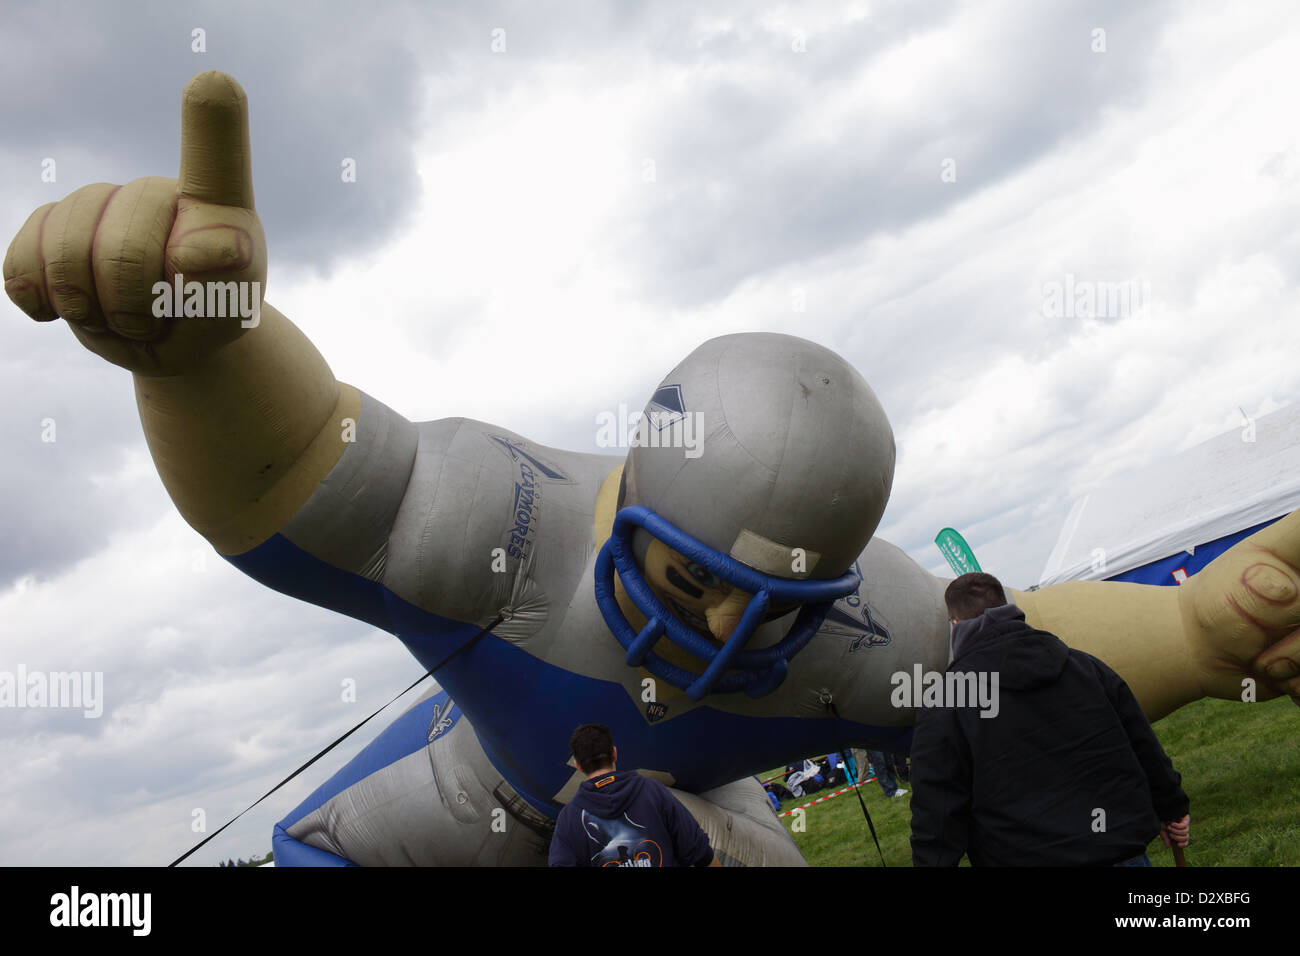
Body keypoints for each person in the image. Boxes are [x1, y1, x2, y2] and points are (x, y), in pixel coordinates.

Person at [909, 572, 1191, 866]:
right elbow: (1143, 744)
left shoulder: (947, 701)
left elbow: (937, 809)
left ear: (955, 625)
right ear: (1009, 609)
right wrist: (1172, 806)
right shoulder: (1085, 667)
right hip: (1116, 850)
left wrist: (1171, 807)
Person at [549, 724, 721, 867]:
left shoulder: (569, 818)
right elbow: (701, 853)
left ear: (577, 765)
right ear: (614, 753)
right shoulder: (653, 791)